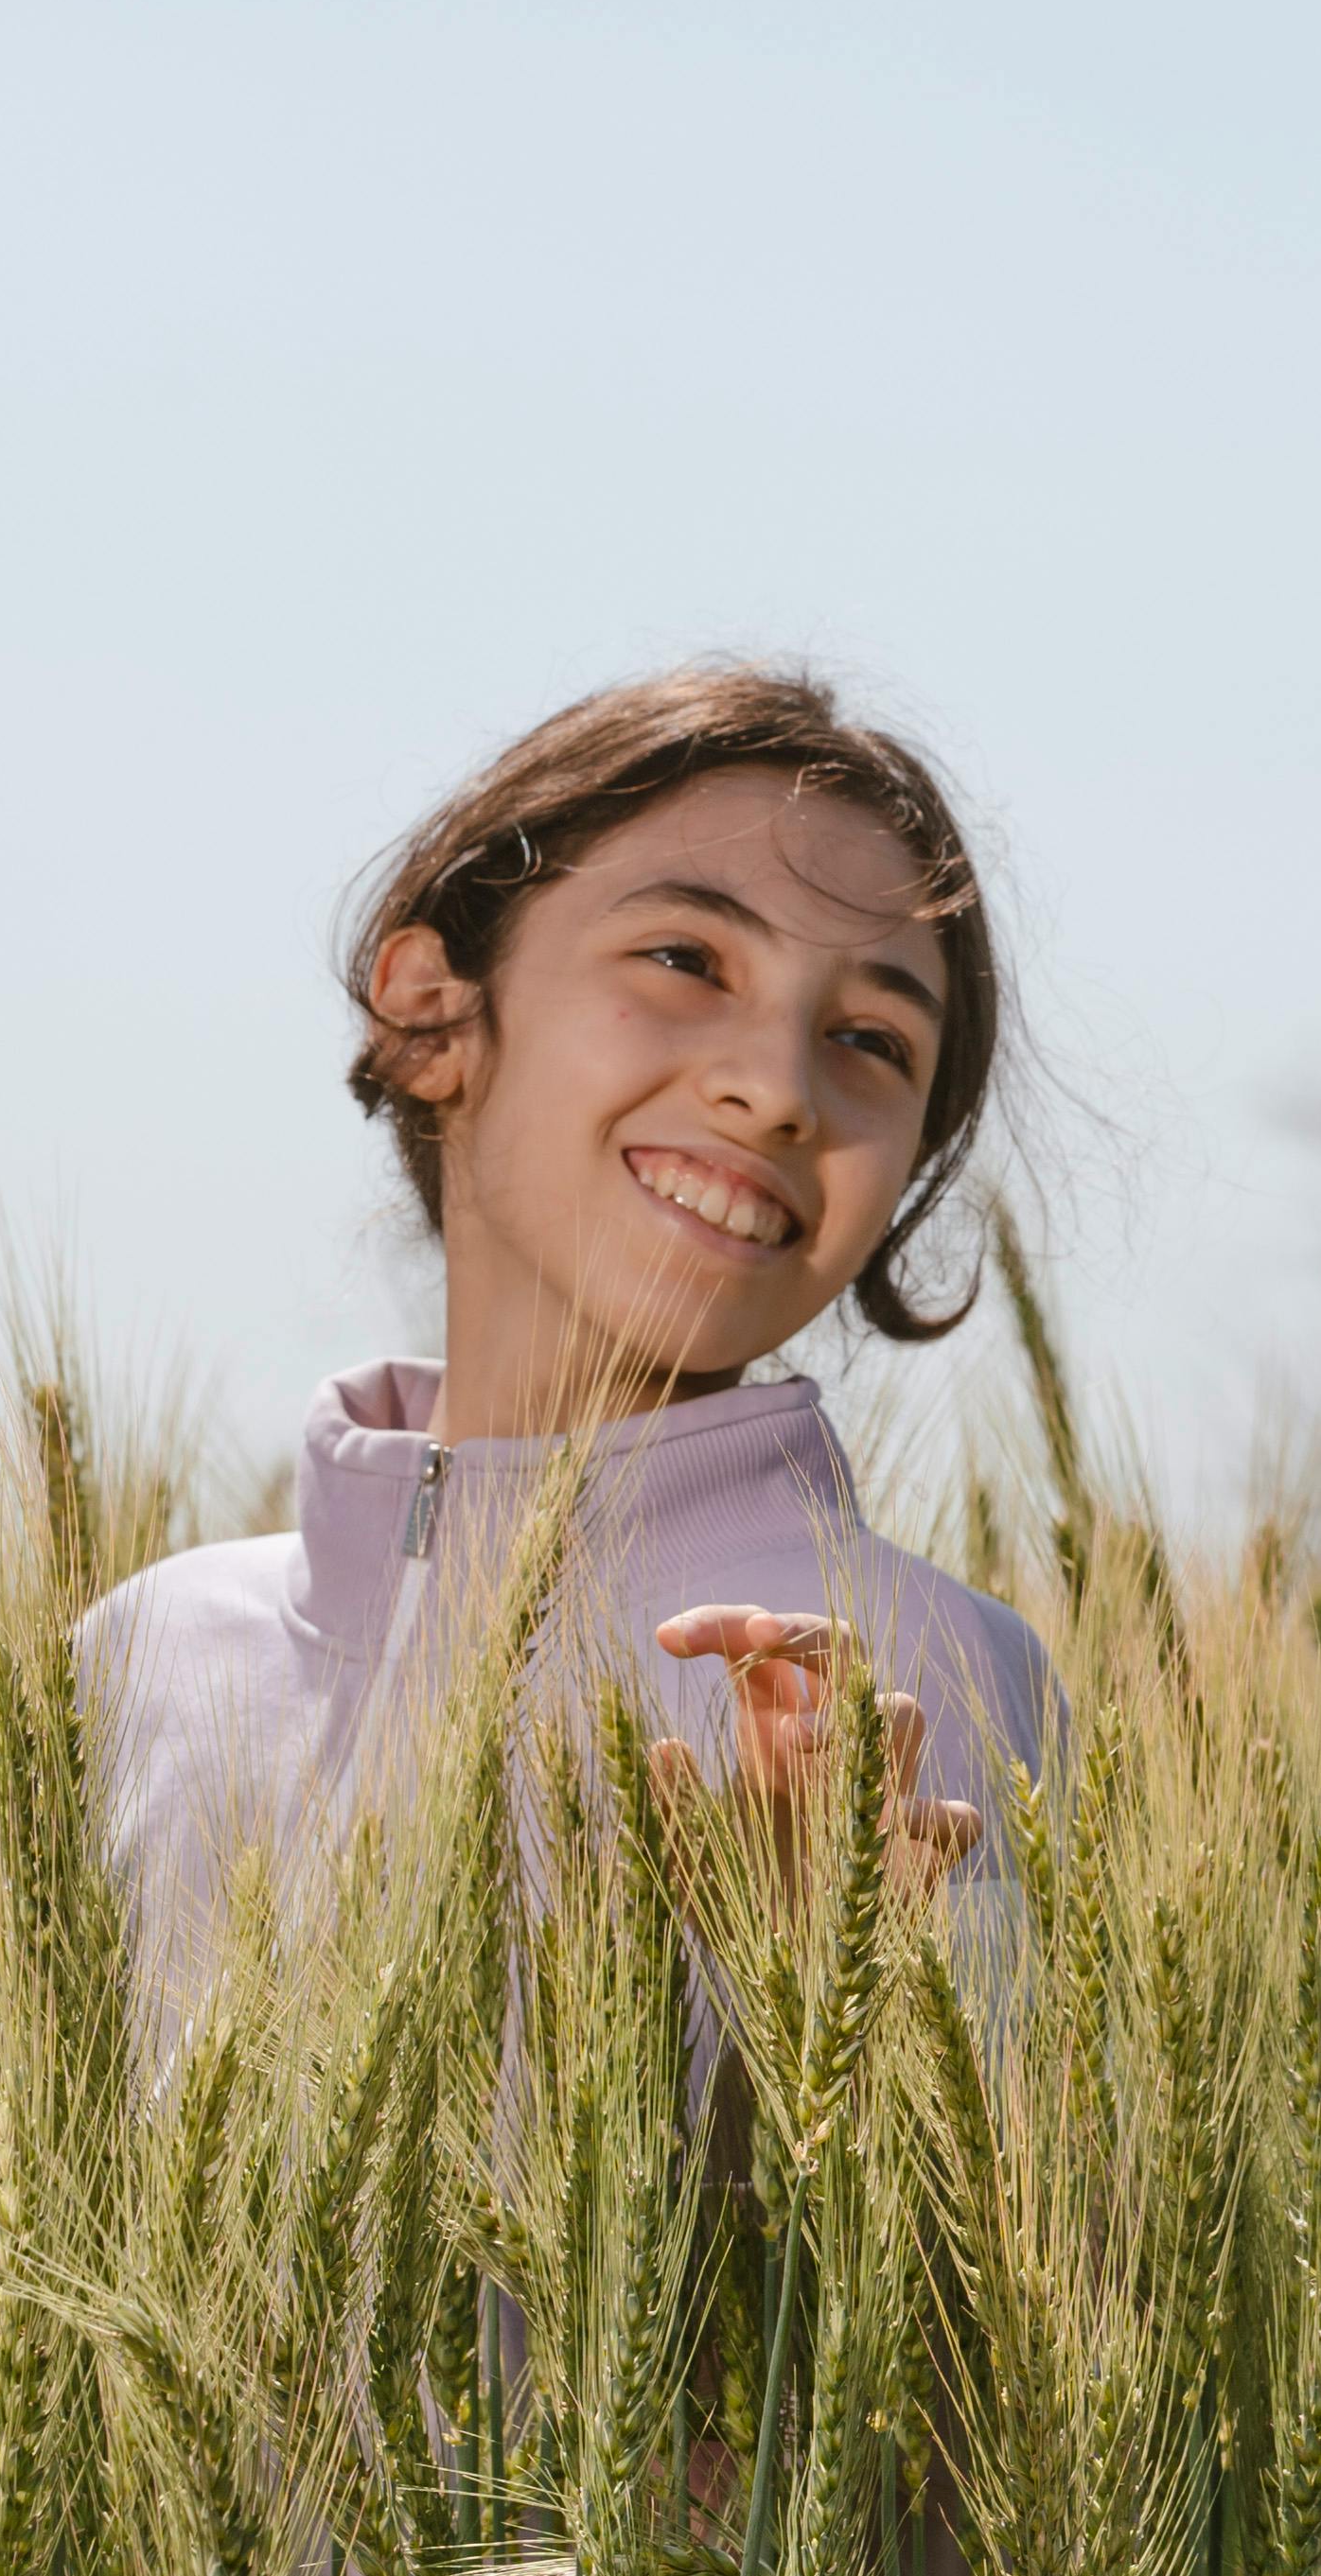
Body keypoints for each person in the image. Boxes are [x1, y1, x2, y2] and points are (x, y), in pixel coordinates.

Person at [79, 658, 1056, 1990]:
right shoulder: (147, 1657)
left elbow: (1016, 2199)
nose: (775, 1091)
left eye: (873, 1041)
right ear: (432, 1014)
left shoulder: (922, 1681)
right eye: (684, 959)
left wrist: (791, 2003)